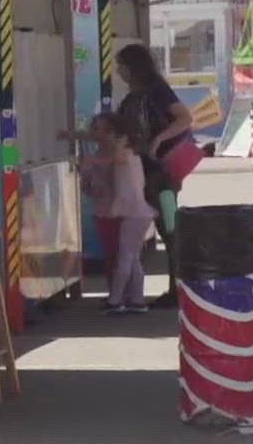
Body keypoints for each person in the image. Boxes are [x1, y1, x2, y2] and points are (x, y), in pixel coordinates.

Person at [113, 43, 195, 308]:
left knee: (170, 228)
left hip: (162, 172)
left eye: (122, 66)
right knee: (159, 227)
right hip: (142, 172)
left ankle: (178, 290)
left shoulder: (157, 91)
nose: (119, 71)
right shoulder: (132, 97)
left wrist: (159, 140)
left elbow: (184, 118)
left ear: (134, 67)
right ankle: (166, 289)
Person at [79, 111, 153, 314]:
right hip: (123, 211)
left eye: (101, 129)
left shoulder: (123, 155)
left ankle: (116, 299)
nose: (94, 133)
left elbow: (113, 159)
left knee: (124, 257)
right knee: (130, 257)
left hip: (125, 211)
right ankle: (135, 299)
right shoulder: (130, 154)